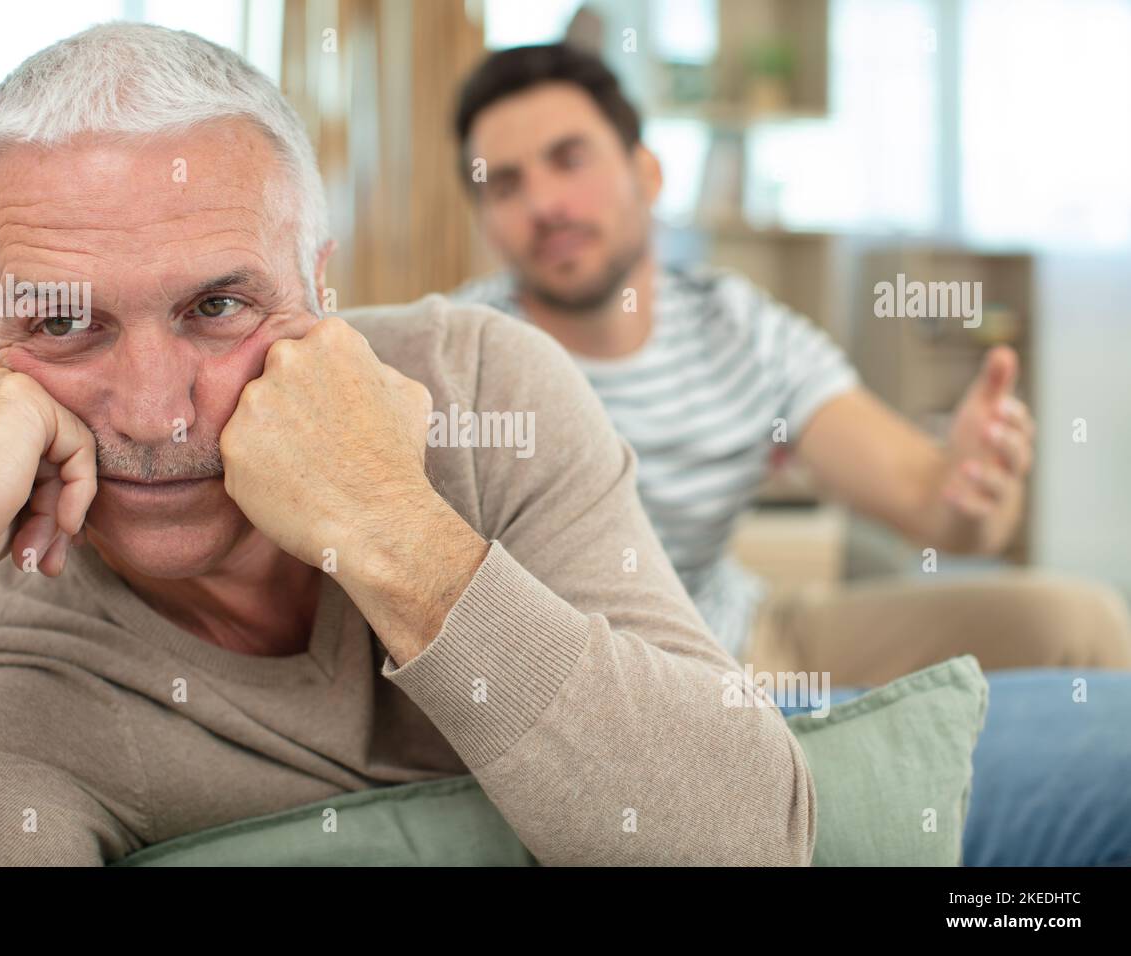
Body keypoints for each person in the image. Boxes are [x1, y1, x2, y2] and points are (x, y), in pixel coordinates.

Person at [0, 24, 815, 866]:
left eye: (216, 306)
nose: (152, 412)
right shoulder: (14, 669)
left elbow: (754, 835)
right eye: (61, 325)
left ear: (319, 287)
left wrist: (383, 523)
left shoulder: (478, 382)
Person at [448, 43, 1131, 866]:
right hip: (601, 702)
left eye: (569, 160)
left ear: (648, 172)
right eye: (505, 184)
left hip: (757, 643)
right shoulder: (459, 355)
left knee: (1080, 623)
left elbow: (936, 507)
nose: (546, 203)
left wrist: (976, 483)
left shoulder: (743, 329)